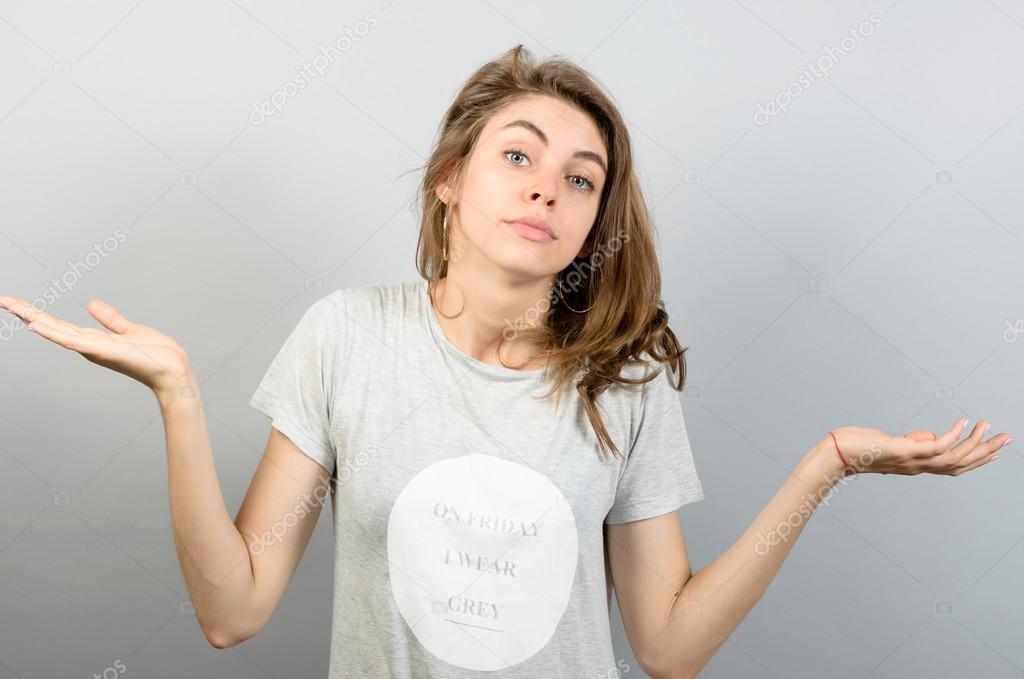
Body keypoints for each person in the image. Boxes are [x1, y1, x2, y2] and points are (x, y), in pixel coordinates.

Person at [0, 44, 1012, 679]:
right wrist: (178, 394)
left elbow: (667, 649)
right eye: (517, 156)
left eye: (581, 178)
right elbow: (233, 613)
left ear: (593, 220)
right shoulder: (347, 336)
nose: (547, 191)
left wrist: (822, 467)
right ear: (450, 178)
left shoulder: (625, 380)